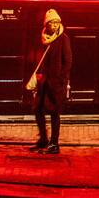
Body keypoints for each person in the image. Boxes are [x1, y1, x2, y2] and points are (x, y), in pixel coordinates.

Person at [27, 9, 71, 154]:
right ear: (46, 24)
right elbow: (36, 56)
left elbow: (68, 61)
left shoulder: (63, 38)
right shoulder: (42, 38)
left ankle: (54, 143)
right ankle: (43, 139)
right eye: (52, 23)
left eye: (57, 22)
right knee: (38, 109)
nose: (55, 25)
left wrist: (61, 79)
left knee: (54, 112)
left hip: (55, 83)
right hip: (42, 81)